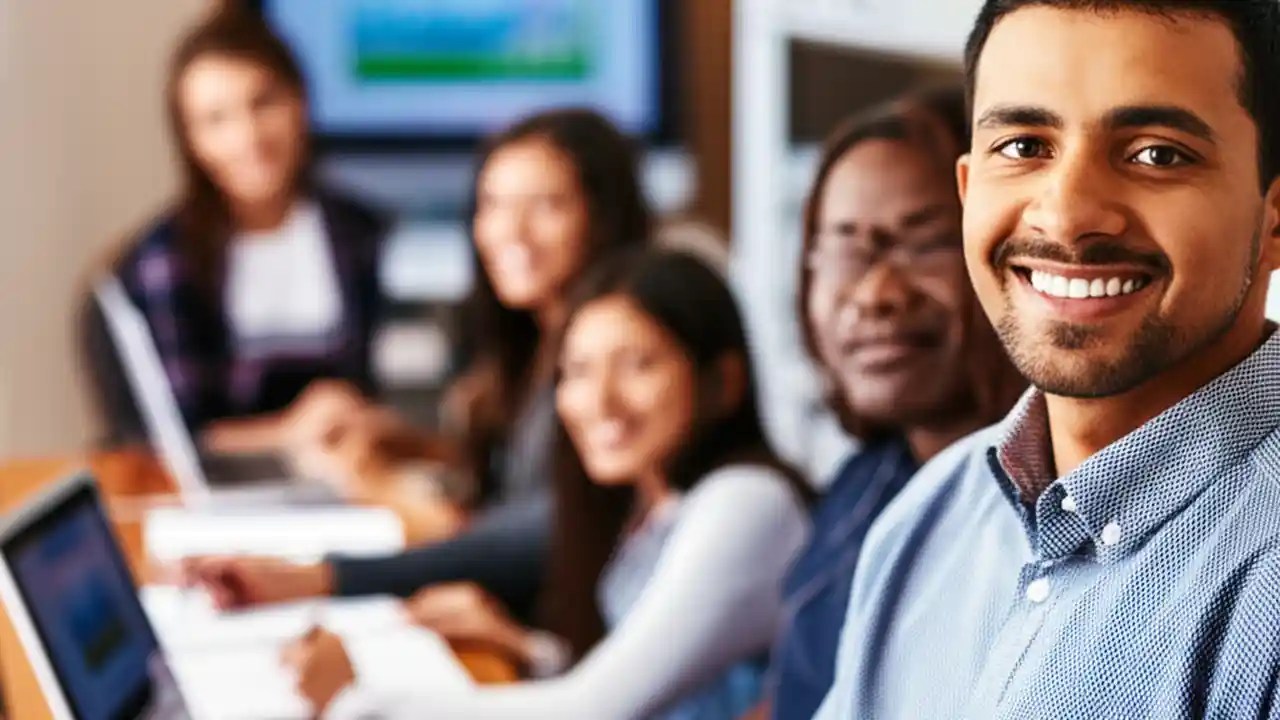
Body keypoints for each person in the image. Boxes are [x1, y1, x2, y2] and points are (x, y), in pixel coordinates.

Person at [815, 1, 1280, 718]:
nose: (1065, 215)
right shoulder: (924, 521)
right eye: (1025, 147)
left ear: (1273, 217)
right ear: (969, 190)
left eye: (1157, 153)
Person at [278, 248, 811, 719]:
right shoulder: (655, 498)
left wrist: (355, 701)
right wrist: (528, 650)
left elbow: (595, 710)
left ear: (723, 380)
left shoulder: (746, 504)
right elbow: (667, 679)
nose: (599, 400)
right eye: (577, 370)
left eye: (637, 365)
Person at [184, 108, 653, 622]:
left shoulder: (606, 358)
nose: (510, 231)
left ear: (603, 217)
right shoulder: (531, 343)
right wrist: (406, 441)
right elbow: (523, 477)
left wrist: (331, 555)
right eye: (493, 204)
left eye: (546, 205)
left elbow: (546, 528)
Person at [754, 88, 1024, 720]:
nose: (876, 292)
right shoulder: (867, 480)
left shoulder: (1045, 518)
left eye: (925, 243)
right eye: (848, 248)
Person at [112, 8, 387, 453]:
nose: (249, 137)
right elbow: (172, 437)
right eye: (217, 119)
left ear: (300, 101)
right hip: (222, 504)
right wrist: (290, 433)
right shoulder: (162, 262)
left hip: (359, 478)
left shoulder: (363, 233)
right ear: (190, 140)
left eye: (264, 103)